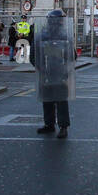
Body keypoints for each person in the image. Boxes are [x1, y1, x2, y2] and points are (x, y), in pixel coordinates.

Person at [35, 9, 73, 138]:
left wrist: (41, 68)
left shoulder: (46, 35)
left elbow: (71, 55)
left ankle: (55, 125)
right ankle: (57, 126)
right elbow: (71, 56)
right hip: (53, 71)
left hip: (52, 72)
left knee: (55, 99)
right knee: (53, 99)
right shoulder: (61, 36)